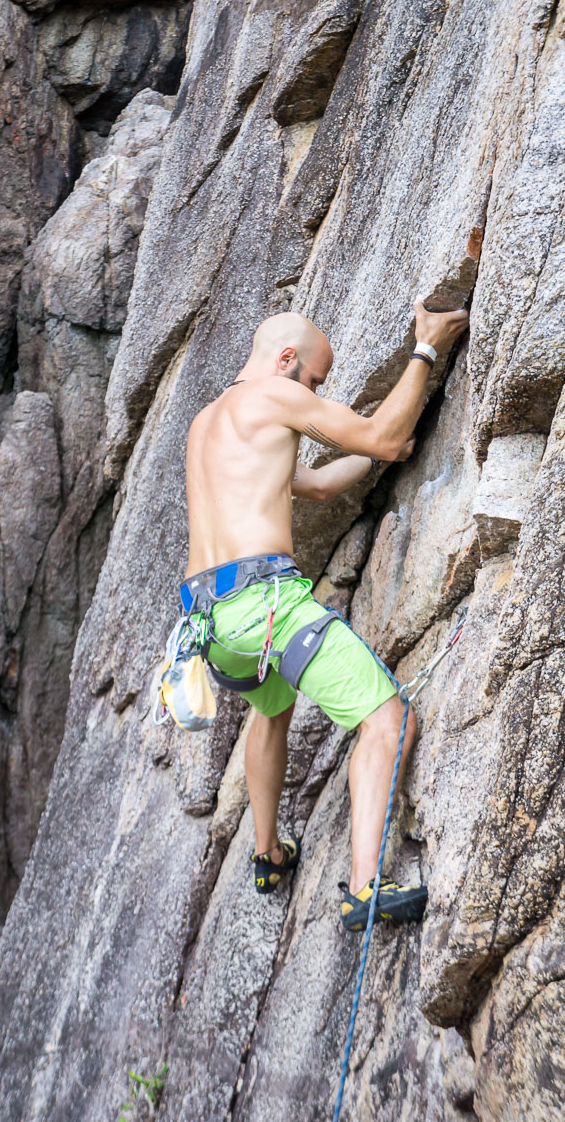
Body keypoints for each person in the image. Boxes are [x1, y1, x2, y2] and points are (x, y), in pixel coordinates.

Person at [179, 297, 469, 929]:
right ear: (286, 362)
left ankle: (268, 855)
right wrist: (426, 350)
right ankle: (366, 889)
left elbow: (314, 484)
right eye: (313, 380)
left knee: (272, 711)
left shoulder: (208, 424)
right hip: (267, 607)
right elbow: (382, 434)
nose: (313, 392)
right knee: (388, 719)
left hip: (214, 628)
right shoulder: (273, 398)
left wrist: (383, 453)